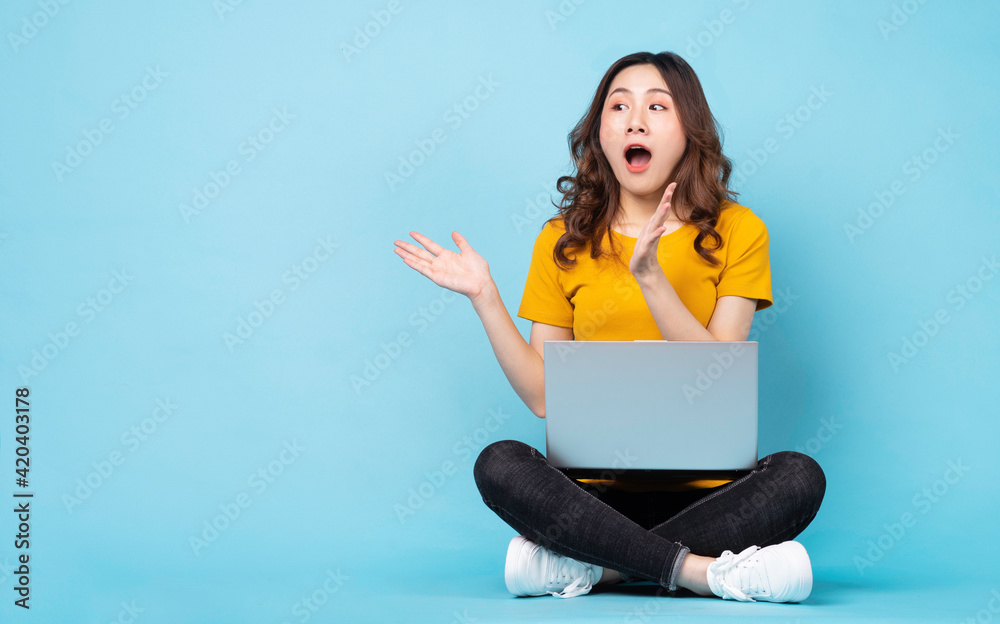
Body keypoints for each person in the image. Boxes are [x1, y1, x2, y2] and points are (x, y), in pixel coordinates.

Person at [393, 51, 826, 603]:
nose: (634, 120)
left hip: (709, 493)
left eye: (657, 107)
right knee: (500, 462)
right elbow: (543, 397)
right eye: (618, 106)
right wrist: (485, 297)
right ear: (600, 133)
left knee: (799, 475)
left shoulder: (739, 231)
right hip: (591, 494)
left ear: (689, 129)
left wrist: (651, 278)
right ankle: (702, 572)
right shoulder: (561, 240)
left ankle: (599, 567)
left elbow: (719, 375)